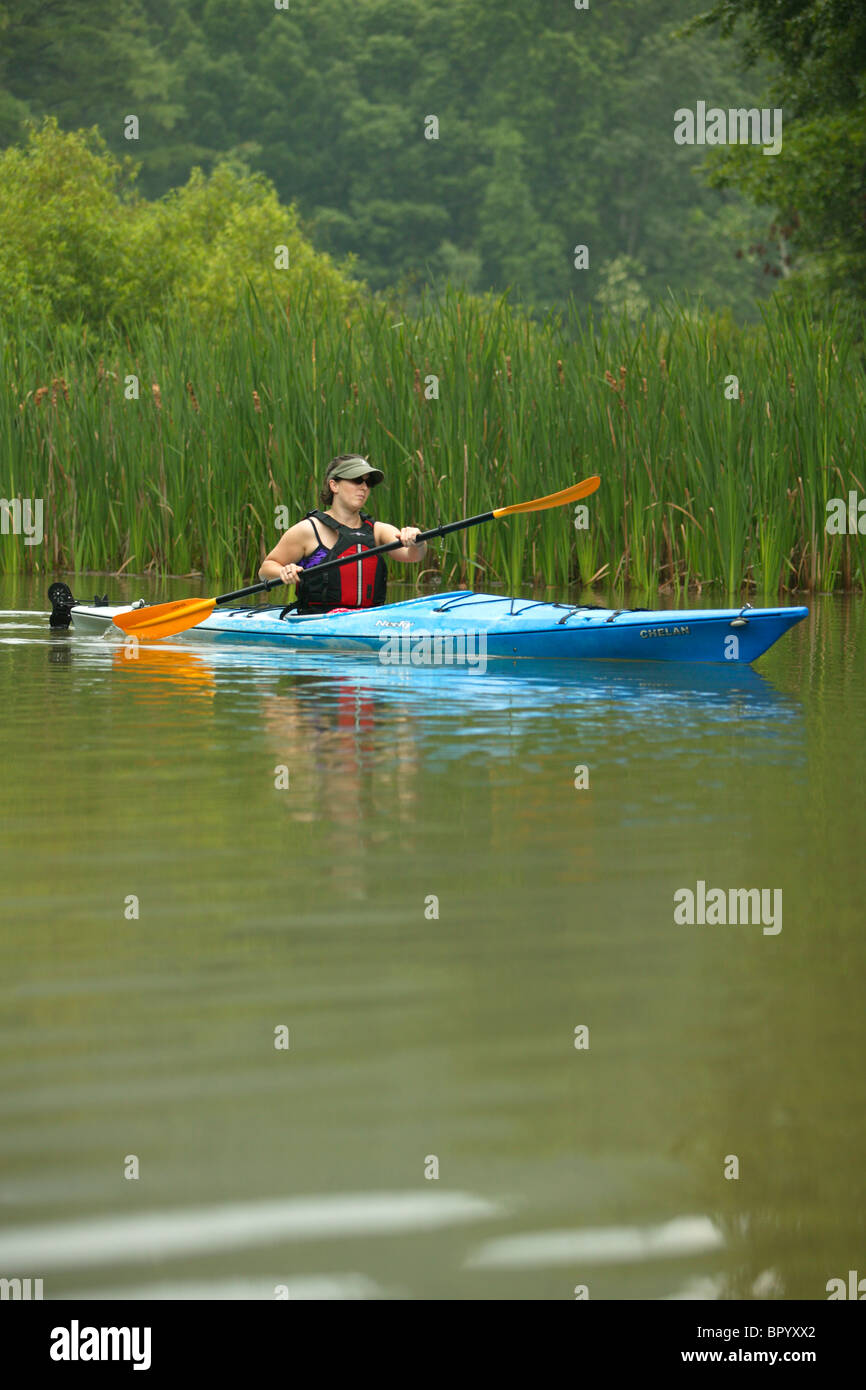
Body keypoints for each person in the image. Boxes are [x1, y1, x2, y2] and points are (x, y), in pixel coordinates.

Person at [259, 455, 426, 613]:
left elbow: (413, 556)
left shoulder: (379, 530)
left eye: (368, 483)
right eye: (356, 480)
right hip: (317, 621)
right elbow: (265, 569)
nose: (364, 487)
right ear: (334, 485)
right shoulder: (308, 530)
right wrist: (283, 572)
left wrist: (417, 541)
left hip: (369, 619)